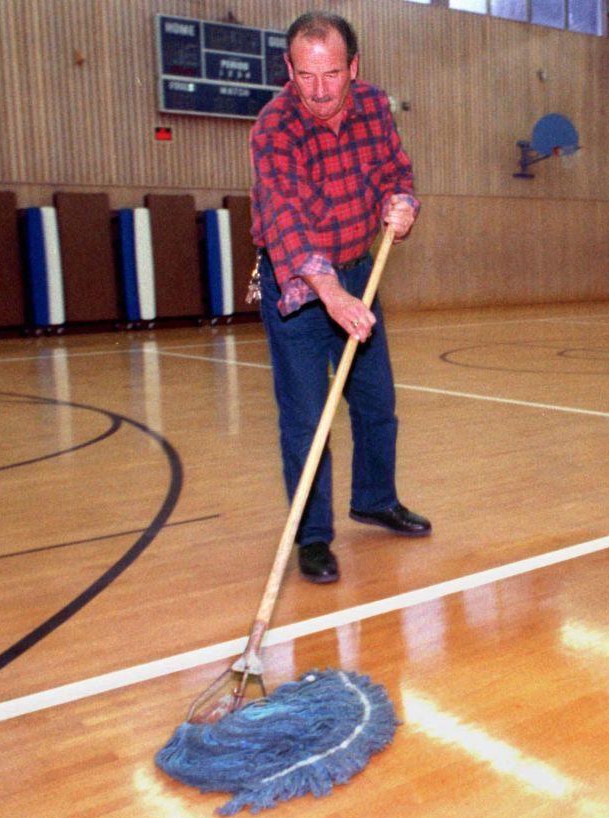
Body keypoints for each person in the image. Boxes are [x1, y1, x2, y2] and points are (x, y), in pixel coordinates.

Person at [250, 10, 429, 585]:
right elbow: (285, 221)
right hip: (298, 286)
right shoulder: (274, 127)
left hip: (358, 273)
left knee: (377, 404)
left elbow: (393, 172)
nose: (321, 91)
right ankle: (313, 536)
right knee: (306, 419)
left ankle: (375, 499)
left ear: (354, 66)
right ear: (289, 69)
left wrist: (400, 205)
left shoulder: (374, 106)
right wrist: (328, 292)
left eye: (332, 74)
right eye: (306, 76)